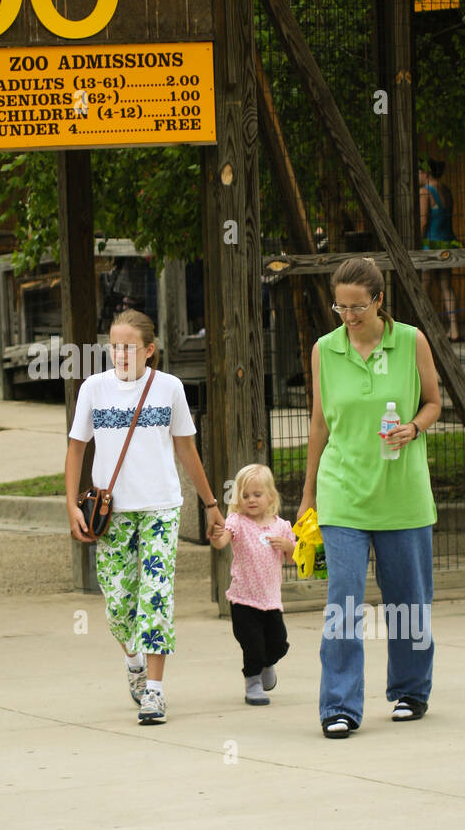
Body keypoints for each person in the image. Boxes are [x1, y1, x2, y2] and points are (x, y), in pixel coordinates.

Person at [297, 258, 442, 738]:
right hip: (344, 493)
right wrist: (309, 493)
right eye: (341, 306)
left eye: (358, 306)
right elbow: (320, 422)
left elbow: (434, 401)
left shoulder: (411, 341)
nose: (349, 315)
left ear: (379, 300)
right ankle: (339, 705)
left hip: (403, 494)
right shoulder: (325, 349)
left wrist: (414, 427)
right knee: (343, 601)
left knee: (408, 600)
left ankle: (409, 690)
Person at [65, 309, 225, 725]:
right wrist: (69, 503)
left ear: (149, 351)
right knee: (119, 604)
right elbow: (77, 448)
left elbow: (187, 448)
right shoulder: (93, 390)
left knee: (155, 596)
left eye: (129, 347)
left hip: (160, 507)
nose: (120, 354)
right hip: (111, 512)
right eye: (113, 347)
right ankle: (133, 662)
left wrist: (210, 503)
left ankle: (154, 691)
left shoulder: (168, 388)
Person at [210, 464, 296, 706]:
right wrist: (217, 537)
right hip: (243, 599)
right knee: (252, 644)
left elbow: (294, 558)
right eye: (245, 495)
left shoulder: (281, 526)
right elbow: (223, 540)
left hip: (271, 601)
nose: (251, 500)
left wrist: (288, 547)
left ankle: (268, 662)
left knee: (279, 643)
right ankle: (253, 682)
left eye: (257, 495)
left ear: (271, 496)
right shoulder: (237, 521)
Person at [419, 159, 460, 341]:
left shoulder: (425, 191)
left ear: (426, 173)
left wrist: (418, 242)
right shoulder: (446, 190)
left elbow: (424, 220)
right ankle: (455, 329)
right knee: (446, 287)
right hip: (448, 242)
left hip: (431, 245)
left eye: (419, 172)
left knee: (424, 286)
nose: (417, 176)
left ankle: (424, 329)